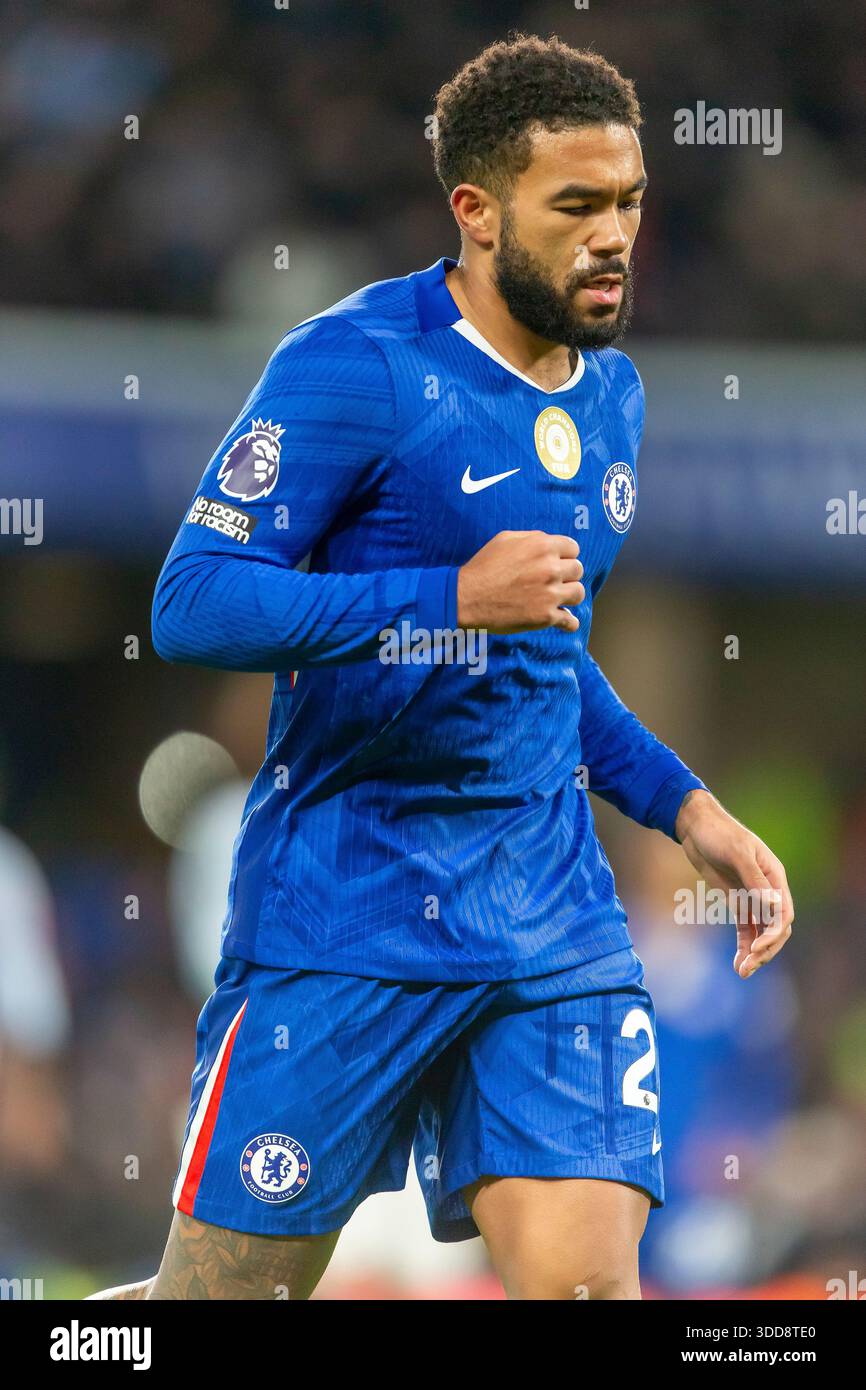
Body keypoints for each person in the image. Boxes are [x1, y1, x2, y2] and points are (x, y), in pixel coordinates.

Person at [92, 34, 793, 1301]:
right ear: (473, 211)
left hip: (545, 930)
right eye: (573, 206)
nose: (612, 235)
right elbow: (192, 602)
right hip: (342, 916)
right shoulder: (351, 368)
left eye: (627, 201)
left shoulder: (612, 402)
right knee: (214, 1304)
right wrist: (445, 597)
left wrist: (685, 807)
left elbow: (544, 666)